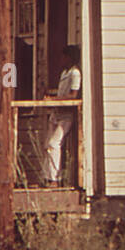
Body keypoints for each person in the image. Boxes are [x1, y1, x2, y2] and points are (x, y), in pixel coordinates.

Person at [43, 45, 82, 187]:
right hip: (57, 112)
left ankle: (55, 179)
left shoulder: (75, 73)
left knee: (55, 144)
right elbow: (62, 93)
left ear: (69, 57)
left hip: (66, 114)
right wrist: (52, 96)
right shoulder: (64, 73)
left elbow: (73, 95)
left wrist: (54, 100)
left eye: (63, 56)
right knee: (47, 144)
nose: (61, 59)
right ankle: (47, 177)